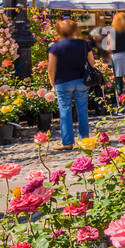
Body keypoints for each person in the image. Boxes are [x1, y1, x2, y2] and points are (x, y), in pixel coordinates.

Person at [46, 18, 93, 150]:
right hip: (81, 80)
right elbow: (92, 62)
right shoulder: (84, 44)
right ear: (74, 29)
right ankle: (85, 140)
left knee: (65, 110)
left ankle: (67, 142)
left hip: (63, 81)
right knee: (83, 110)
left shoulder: (55, 47)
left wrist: (52, 82)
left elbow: (51, 67)